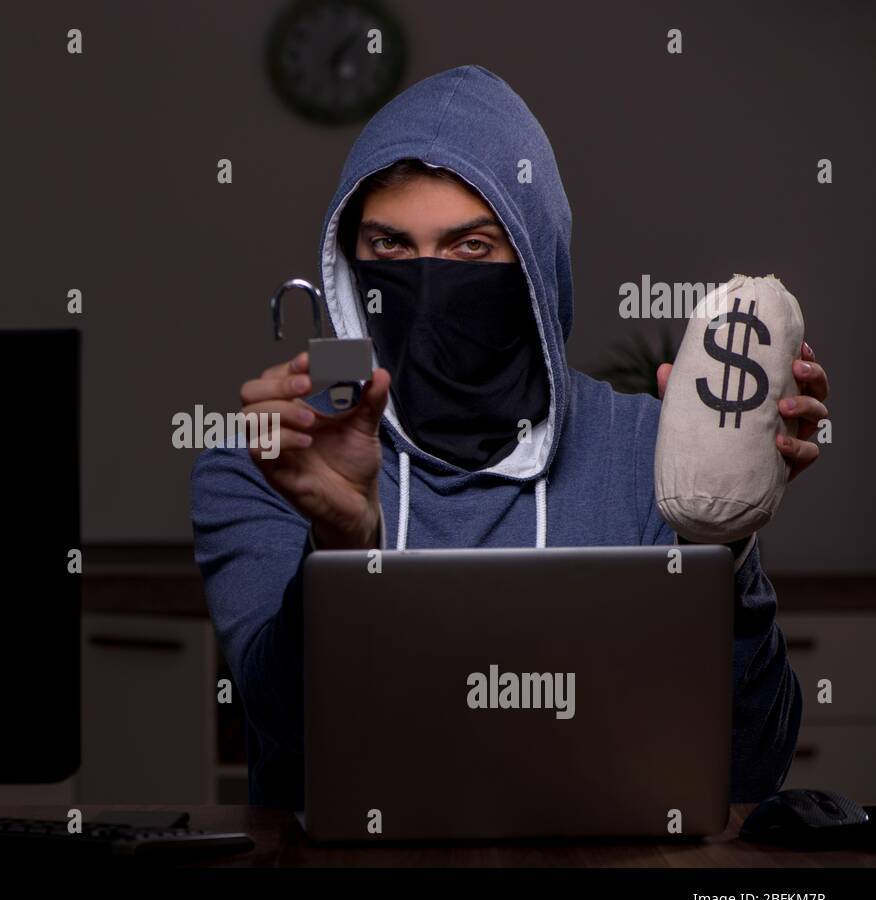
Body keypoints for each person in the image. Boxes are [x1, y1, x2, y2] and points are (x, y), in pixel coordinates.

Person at [190, 65, 829, 810]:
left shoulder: (652, 453)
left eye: (470, 249)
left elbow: (750, 769)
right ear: (345, 269)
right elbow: (288, 747)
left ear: (535, 264)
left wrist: (726, 534)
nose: (428, 289)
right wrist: (338, 548)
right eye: (391, 250)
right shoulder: (266, 461)